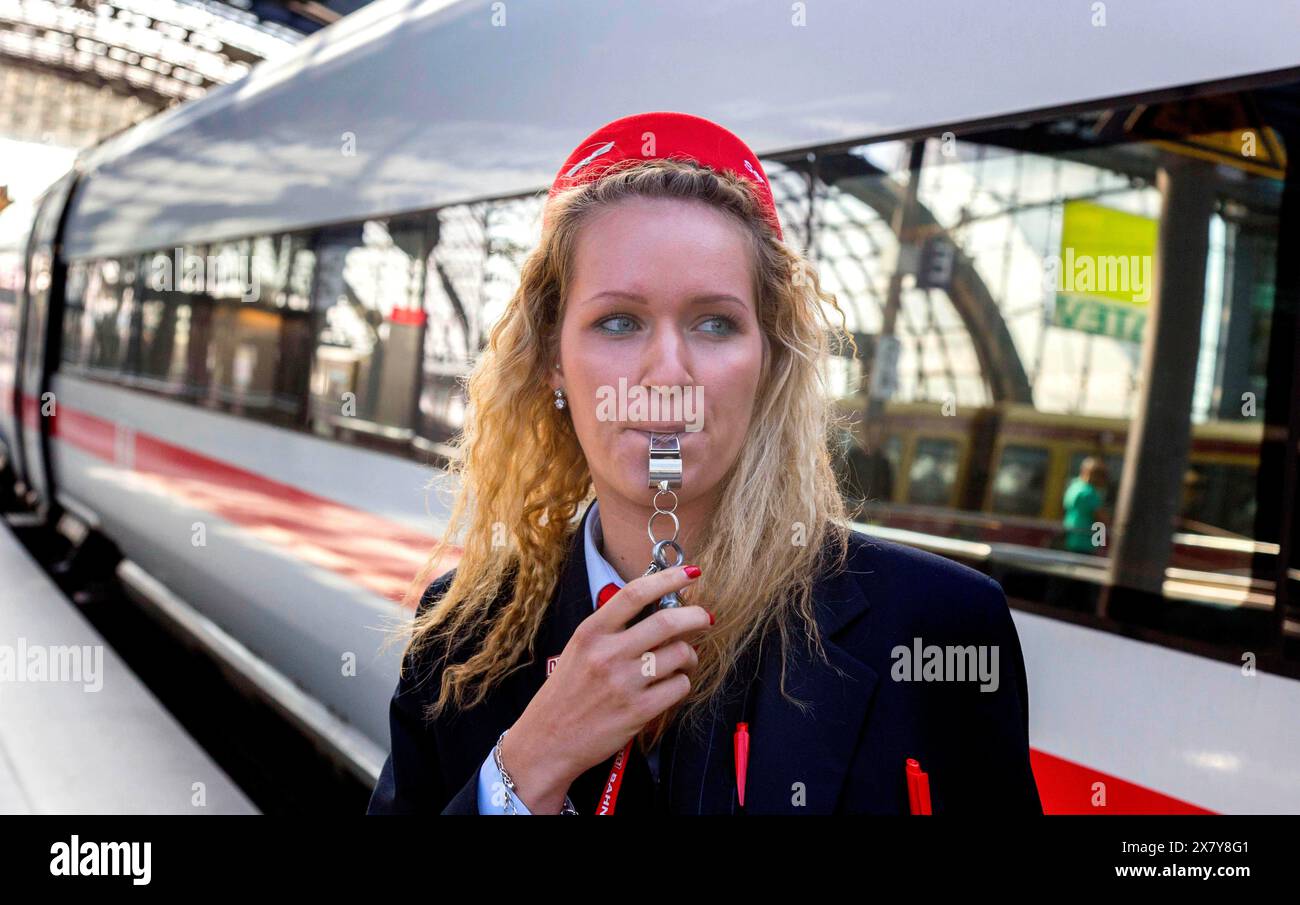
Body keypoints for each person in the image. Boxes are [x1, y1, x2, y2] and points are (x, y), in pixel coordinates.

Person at [366, 111, 1041, 814]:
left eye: (714, 322)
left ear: (770, 360)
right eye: (619, 321)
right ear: (551, 363)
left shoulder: (937, 625)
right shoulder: (461, 633)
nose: (667, 374)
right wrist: (527, 765)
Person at [1062, 457, 1110, 555]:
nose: (1103, 480)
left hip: (1071, 538)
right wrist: (1100, 544)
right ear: (1090, 474)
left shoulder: (1074, 487)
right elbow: (1100, 521)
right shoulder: (1089, 493)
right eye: (1101, 476)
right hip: (1085, 543)